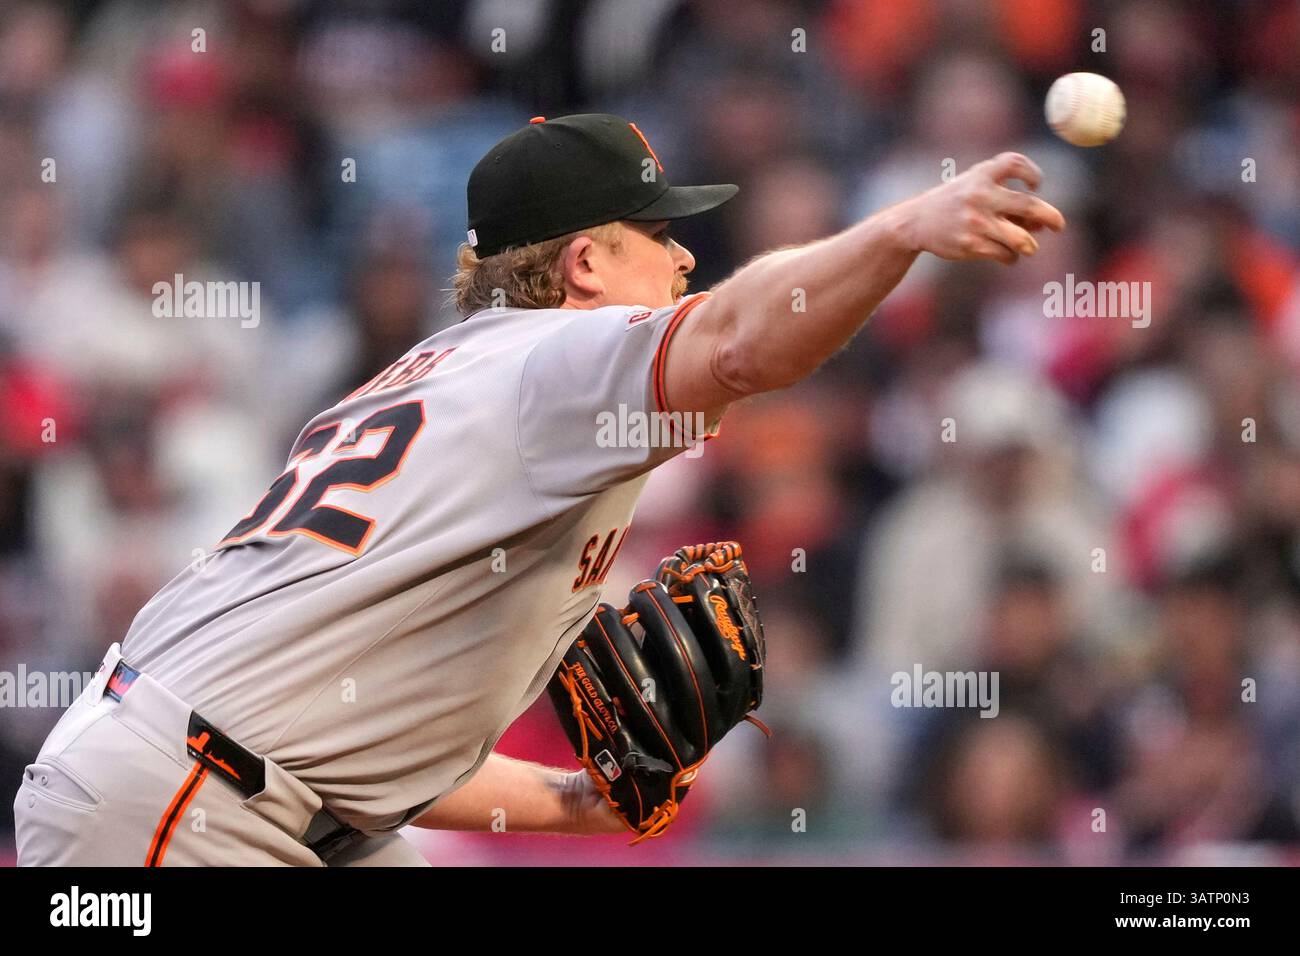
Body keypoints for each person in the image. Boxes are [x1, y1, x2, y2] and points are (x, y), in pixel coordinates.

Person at [13, 113, 1063, 865]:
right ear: (586, 264)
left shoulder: (452, 381)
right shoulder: (554, 365)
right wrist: (898, 231)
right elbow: (745, 343)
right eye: (660, 232)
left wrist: (574, 801)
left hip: (232, 782)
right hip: (180, 805)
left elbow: (362, 745)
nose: (687, 251)